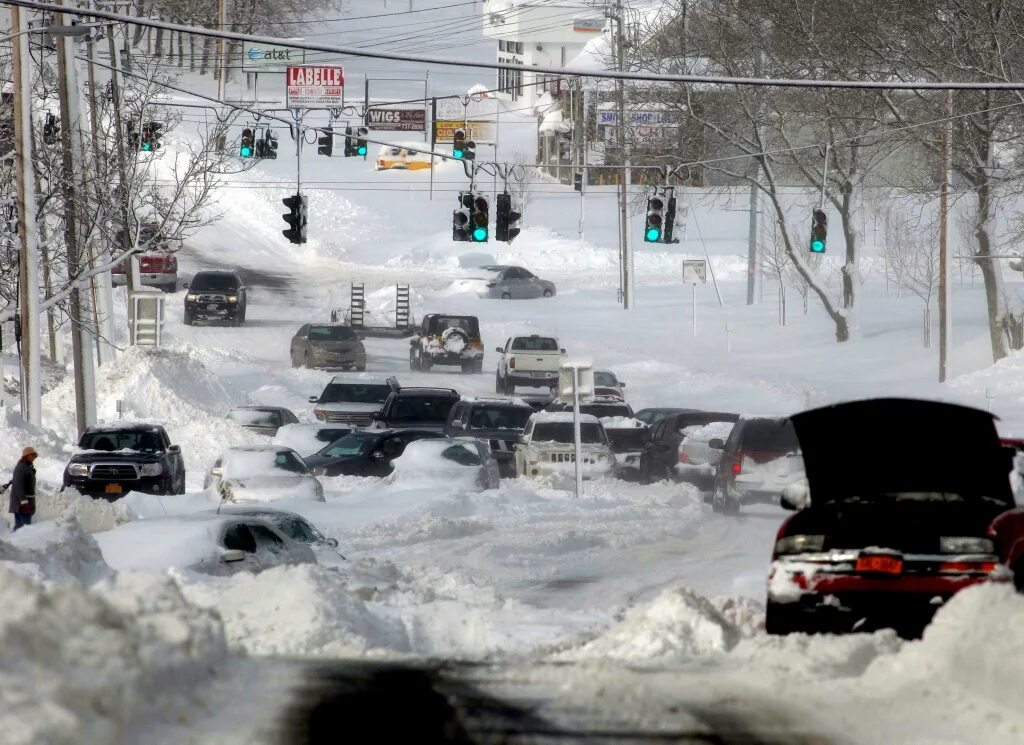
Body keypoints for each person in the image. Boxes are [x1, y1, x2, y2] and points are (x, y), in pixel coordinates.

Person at [9, 446, 38, 531]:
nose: (33, 458)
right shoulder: (21, 467)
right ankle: (16, 543)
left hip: (24, 503)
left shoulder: (27, 466)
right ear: (27, 456)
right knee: (24, 529)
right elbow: (19, 486)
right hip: (21, 504)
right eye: (32, 455)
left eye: (34, 456)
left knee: (20, 528)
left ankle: (13, 543)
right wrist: (24, 503)